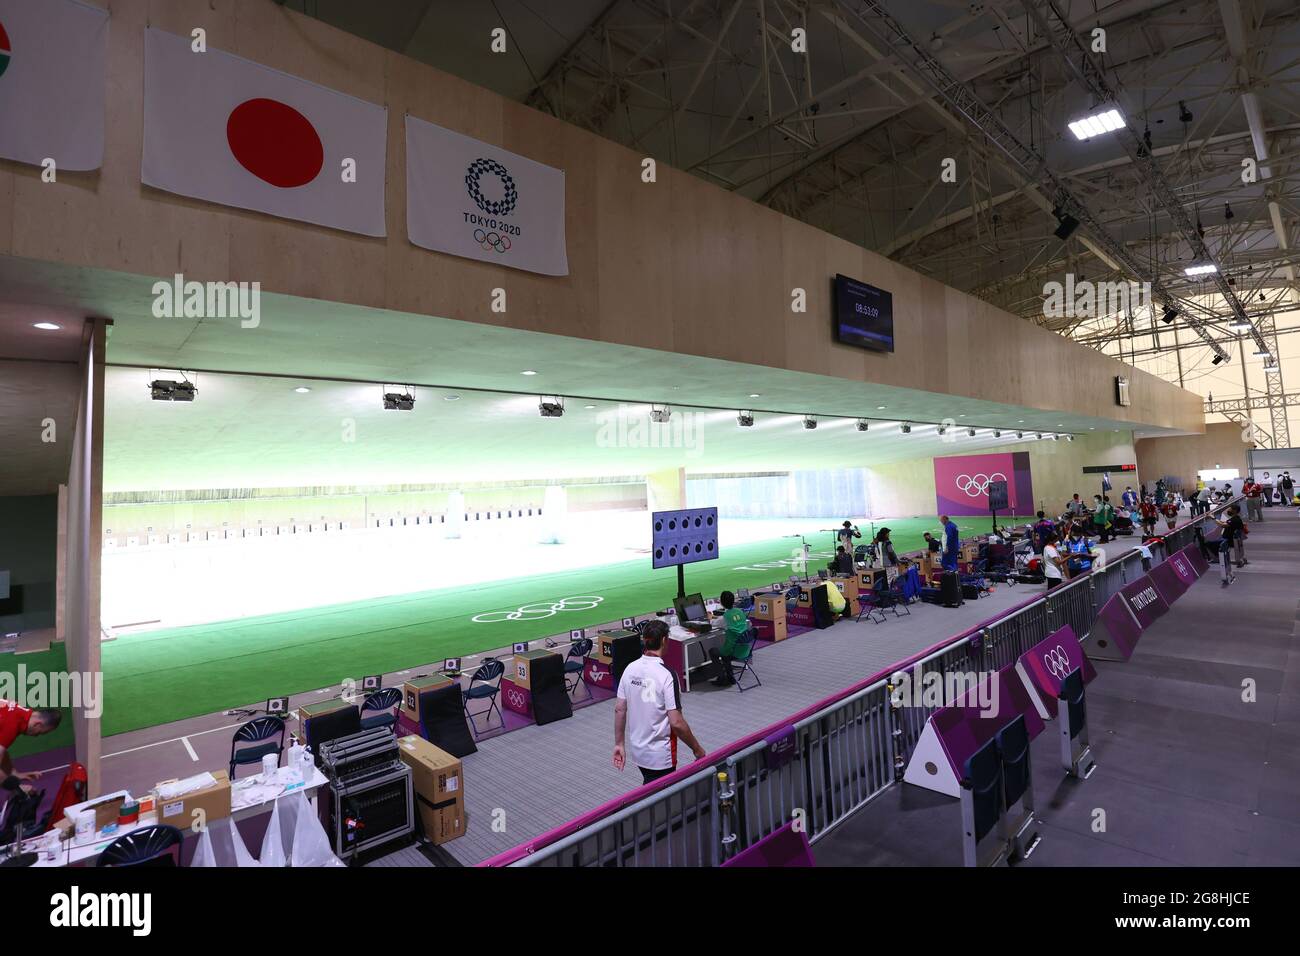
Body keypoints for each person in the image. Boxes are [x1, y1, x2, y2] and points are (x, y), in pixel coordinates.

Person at [614, 620, 706, 785]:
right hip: (660, 756)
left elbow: (620, 710)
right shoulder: (667, 675)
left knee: (651, 789)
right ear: (664, 640)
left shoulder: (629, 669)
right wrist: (697, 749)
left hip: (638, 752)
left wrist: (619, 744)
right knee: (660, 799)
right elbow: (676, 722)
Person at [0, 702, 61, 793]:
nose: (36, 736)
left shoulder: (19, 713)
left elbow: (2, 749)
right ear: (37, 724)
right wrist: (18, 788)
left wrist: (13, 773)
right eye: (40, 733)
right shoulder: (12, 725)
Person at [708, 591, 754, 687]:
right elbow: (736, 622)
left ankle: (721, 678)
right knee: (726, 652)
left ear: (721, 602)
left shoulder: (724, 618)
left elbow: (713, 623)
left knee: (713, 651)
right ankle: (730, 677)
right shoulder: (740, 612)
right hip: (745, 650)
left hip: (733, 651)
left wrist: (709, 618)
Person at [1212, 505, 1244, 587]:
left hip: (1227, 541)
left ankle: (1215, 557)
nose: (1228, 511)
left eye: (1229, 509)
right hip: (1229, 538)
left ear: (1235, 510)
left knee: (1208, 543)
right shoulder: (1235, 518)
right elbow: (1224, 523)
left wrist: (1213, 518)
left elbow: (1223, 525)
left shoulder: (1234, 520)